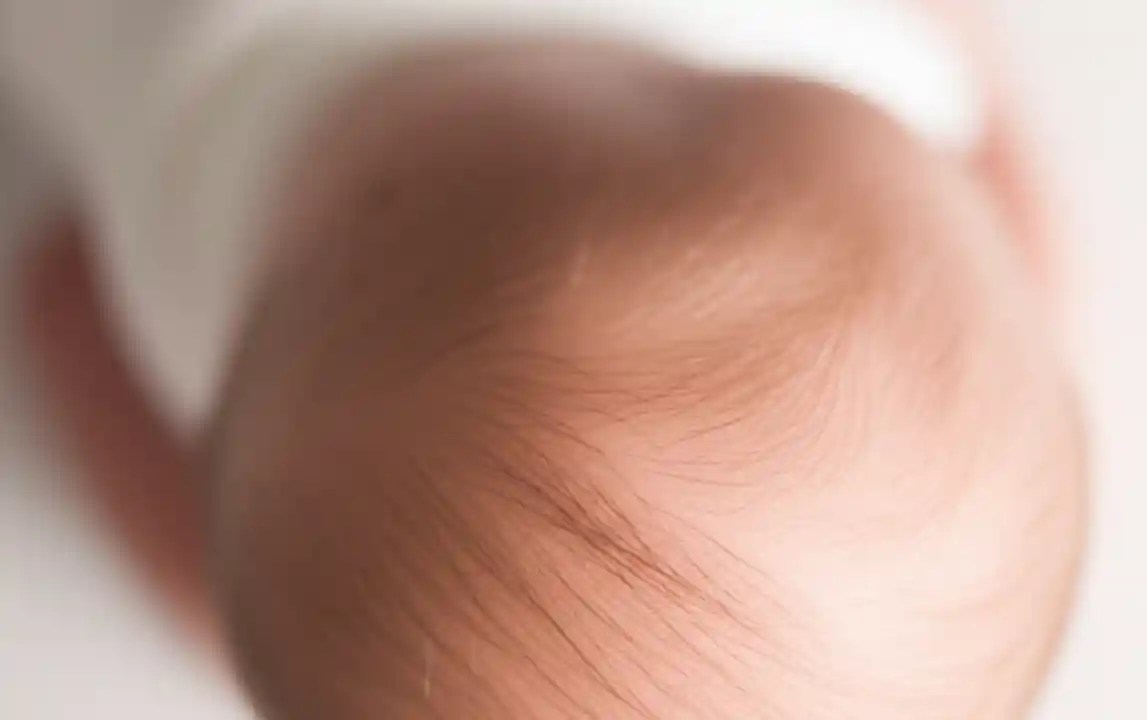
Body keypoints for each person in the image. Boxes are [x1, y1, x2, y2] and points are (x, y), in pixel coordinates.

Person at [7, 1, 1086, 717]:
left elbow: (991, 165)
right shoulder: (189, 258)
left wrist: (1008, 237)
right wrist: (225, 605)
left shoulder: (862, 49)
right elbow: (59, 302)